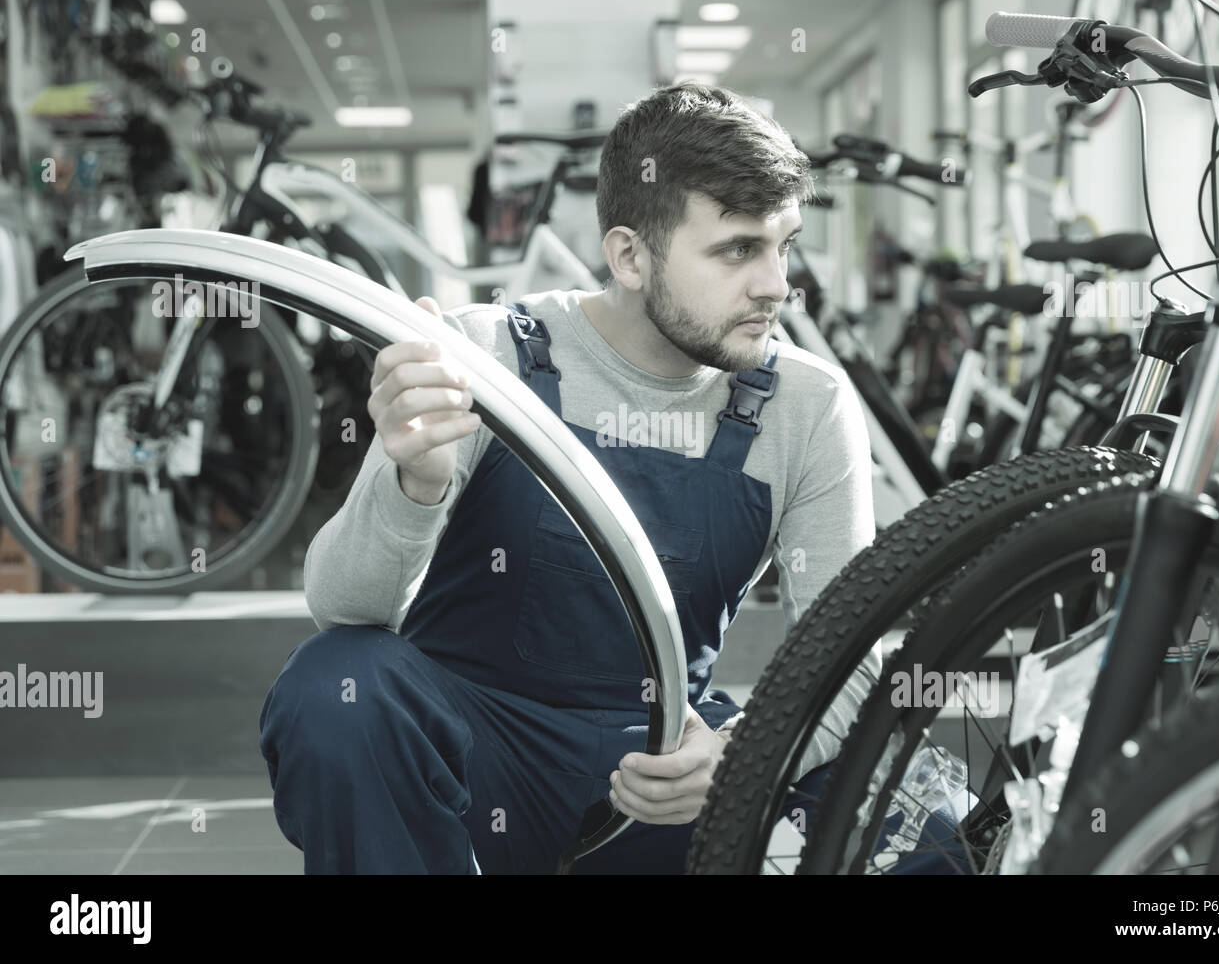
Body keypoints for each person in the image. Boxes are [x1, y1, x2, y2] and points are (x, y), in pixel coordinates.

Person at [258, 82, 881, 874]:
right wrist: (415, 482)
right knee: (335, 687)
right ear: (629, 255)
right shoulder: (486, 354)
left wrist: (738, 751)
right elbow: (341, 605)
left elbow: (852, 657)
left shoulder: (809, 404)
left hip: (657, 771)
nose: (775, 284)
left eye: (783, 245)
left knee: (919, 828)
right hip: (474, 754)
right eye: (736, 249)